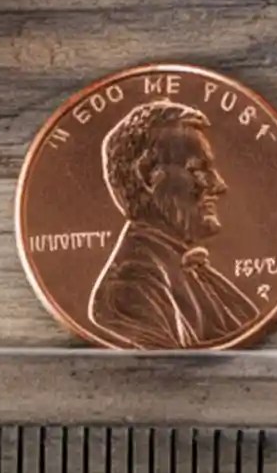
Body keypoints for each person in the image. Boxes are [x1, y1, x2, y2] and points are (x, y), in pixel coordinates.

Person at [88, 99, 259, 349]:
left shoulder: (188, 269)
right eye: (198, 169)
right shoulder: (128, 291)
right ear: (148, 175)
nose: (219, 185)